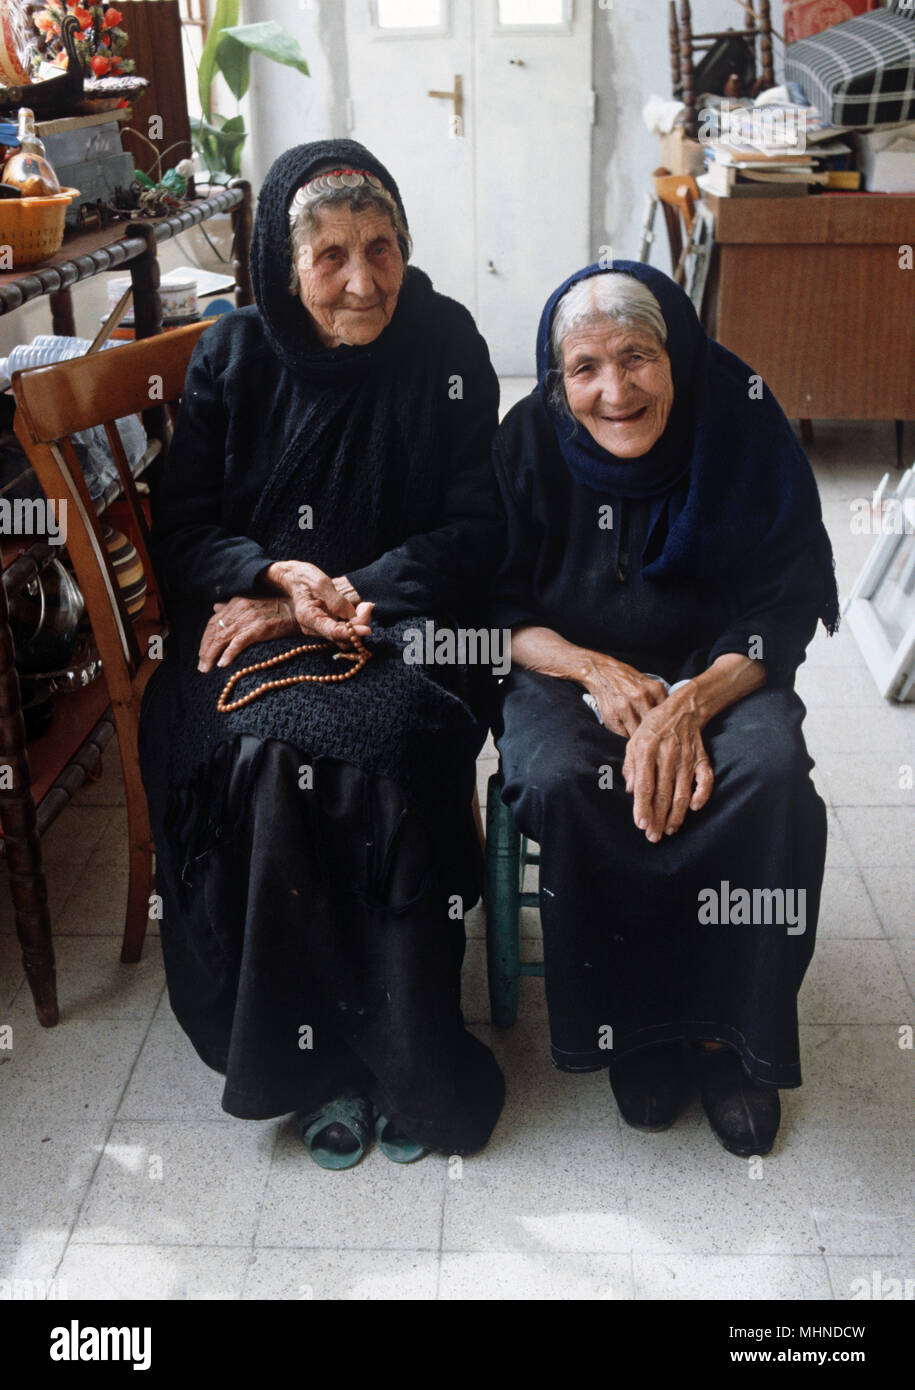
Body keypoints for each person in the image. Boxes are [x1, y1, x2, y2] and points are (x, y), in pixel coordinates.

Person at [139, 140, 505, 1168]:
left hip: (408, 617)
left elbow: (478, 528)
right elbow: (186, 528)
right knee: (264, 763)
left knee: (379, 749)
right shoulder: (233, 355)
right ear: (281, 265)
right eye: (331, 254)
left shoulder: (446, 344)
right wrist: (274, 577)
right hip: (257, 621)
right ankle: (309, 1062)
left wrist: (355, 593)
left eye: (382, 247)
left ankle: (402, 1056)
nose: (362, 278)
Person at [489, 260, 839, 1157]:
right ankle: (633, 1029)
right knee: (563, 778)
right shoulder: (526, 442)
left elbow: (786, 600)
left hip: (723, 666)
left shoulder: (741, 422)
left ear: (677, 355)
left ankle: (729, 1038)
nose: (614, 391)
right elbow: (488, 607)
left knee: (765, 777)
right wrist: (593, 670)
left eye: (637, 357)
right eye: (585, 368)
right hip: (568, 669)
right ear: (557, 379)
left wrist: (690, 702)